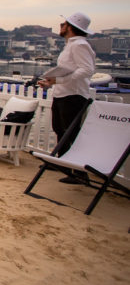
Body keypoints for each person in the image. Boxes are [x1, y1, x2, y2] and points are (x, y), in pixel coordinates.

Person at [37, 12, 96, 184]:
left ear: (70, 27)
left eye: (63, 24)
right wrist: (52, 82)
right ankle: (62, 164)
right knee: (59, 129)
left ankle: (79, 172)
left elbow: (87, 70)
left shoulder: (80, 45)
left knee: (71, 133)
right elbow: (69, 69)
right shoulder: (70, 45)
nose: (61, 26)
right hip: (63, 93)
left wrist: (60, 80)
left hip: (74, 95)